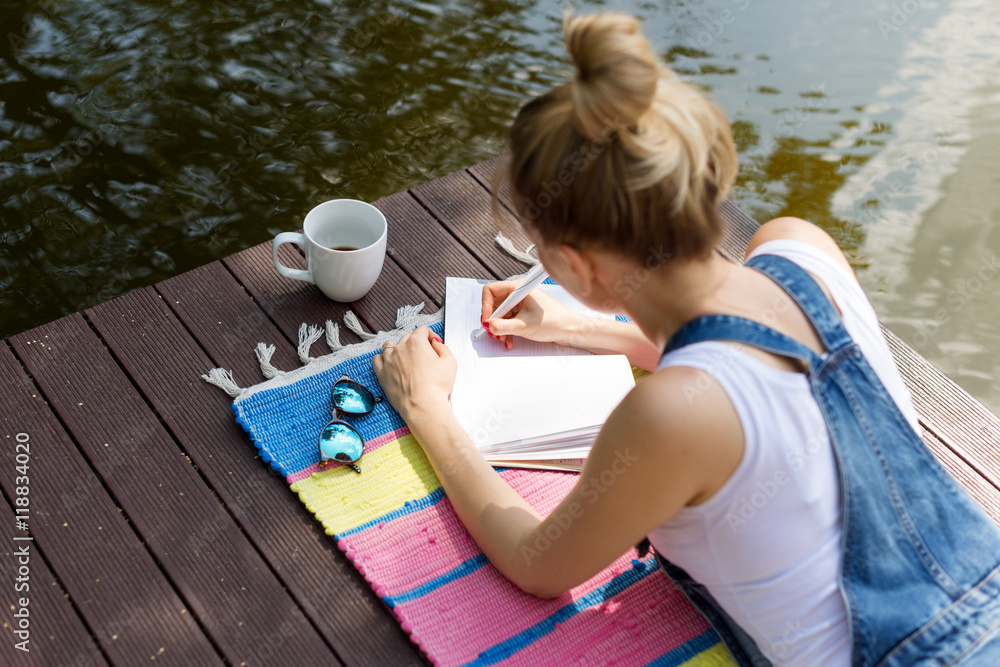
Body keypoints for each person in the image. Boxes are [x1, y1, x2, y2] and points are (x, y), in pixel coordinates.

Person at [372, 12, 1000, 666]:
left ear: (575, 265)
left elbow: (538, 563)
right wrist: (581, 328)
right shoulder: (798, 248)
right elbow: (756, 369)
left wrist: (426, 406)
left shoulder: (667, 414)